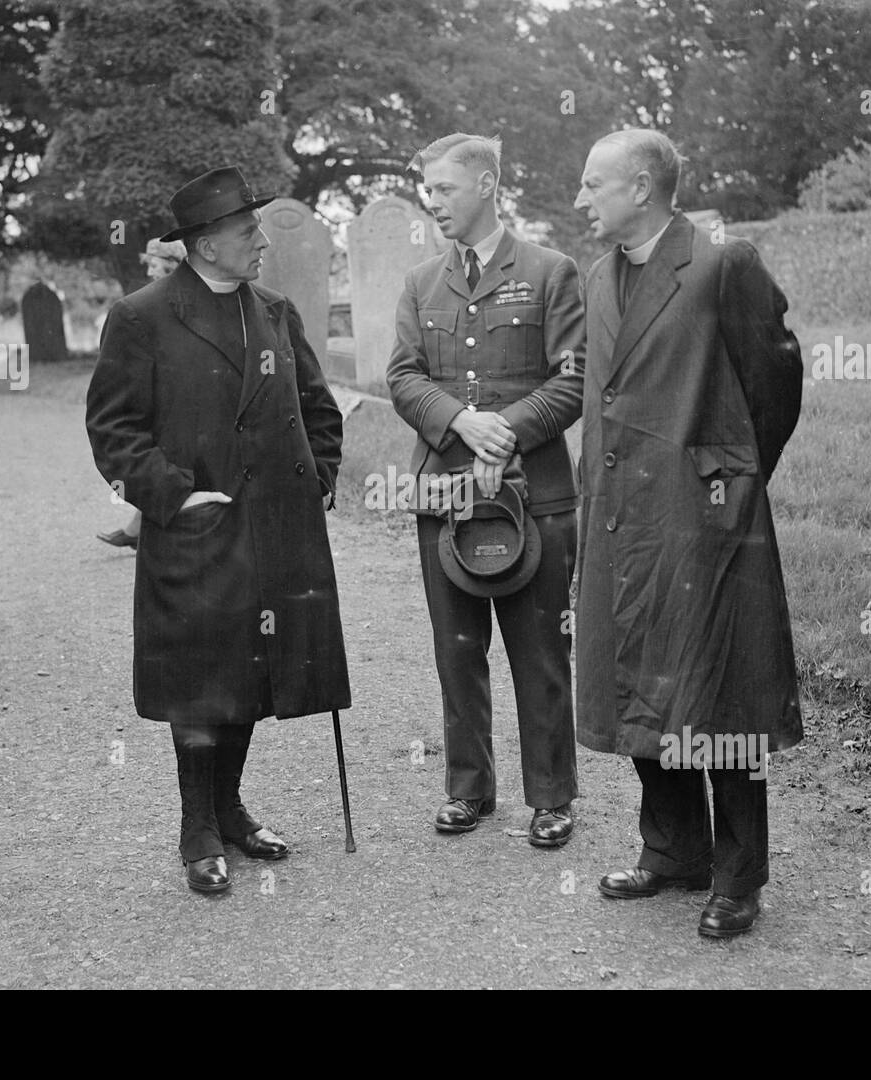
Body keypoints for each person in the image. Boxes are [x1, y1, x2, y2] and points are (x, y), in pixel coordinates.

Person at [86, 166, 351, 894]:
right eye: (246, 232)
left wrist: (318, 480)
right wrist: (174, 497)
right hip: (198, 531)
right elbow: (114, 432)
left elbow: (317, 408)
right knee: (200, 679)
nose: (261, 241)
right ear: (204, 246)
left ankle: (229, 809)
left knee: (253, 674)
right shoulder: (143, 317)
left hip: (274, 533)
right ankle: (196, 826)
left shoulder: (273, 311)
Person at [571, 129, 804, 937]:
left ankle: (739, 877)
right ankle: (673, 851)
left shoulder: (720, 265)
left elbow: (776, 379)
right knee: (639, 679)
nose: (580, 198)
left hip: (704, 519)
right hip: (619, 517)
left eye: (593, 183)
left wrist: (733, 476)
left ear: (641, 187)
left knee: (725, 692)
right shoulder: (601, 277)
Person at [388, 133, 585, 846]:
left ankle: (552, 795)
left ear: (486, 185)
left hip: (535, 495)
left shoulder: (550, 271)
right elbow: (403, 377)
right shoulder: (420, 282)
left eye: (443, 188)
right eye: (428, 190)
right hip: (446, 493)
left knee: (539, 649)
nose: (432, 202)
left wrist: (504, 430)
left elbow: (573, 378)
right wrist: (464, 424)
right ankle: (469, 789)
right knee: (457, 647)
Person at [97, 237, 188, 550]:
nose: (150, 272)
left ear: (174, 266)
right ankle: (138, 528)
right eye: (148, 265)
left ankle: (138, 529)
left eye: (155, 265)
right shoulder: (145, 306)